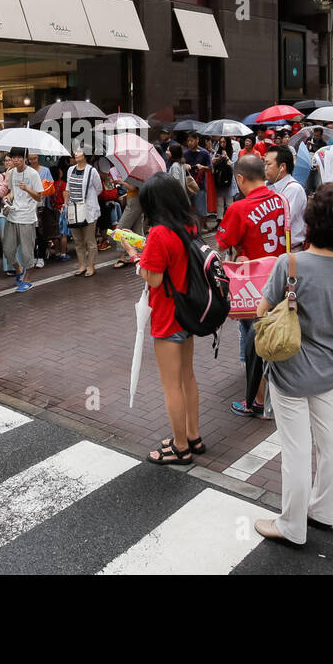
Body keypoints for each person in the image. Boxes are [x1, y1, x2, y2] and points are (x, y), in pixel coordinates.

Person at [254, 185, 333, 544]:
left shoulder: (292, 263)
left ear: (313, 221)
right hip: (329, 367)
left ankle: (291, 526)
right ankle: (323, 511)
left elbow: (262, 310)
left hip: (290, 370)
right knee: (330, 443)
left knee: (296, 450)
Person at [133, 172, 202, 465]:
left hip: (167, 315)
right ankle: (193, 436)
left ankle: (180, 446)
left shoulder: (160, 233)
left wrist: (137, 257)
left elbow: (155, 279)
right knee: (187, 377)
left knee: (170, 384)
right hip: (188, 312)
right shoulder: (189, 225)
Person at [217, 154, 288, 419]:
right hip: (280, 276)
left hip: (254, 282)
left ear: (240, 178)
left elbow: (223, 242)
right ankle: (274, 392)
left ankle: (257, 400)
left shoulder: (239, 208)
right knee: (275, 334)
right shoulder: (281, 200)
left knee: (254, 341)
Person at [1, 146, 43, 292]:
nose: (16, 160)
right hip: (13, 216)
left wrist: (27, 189)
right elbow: (13, 191)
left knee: (27, 252)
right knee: (7, 250)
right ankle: (18, 269)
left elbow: (39, 196)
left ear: (24, 158)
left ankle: (27, 279)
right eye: (14, 158)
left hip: (27, 218)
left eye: (19, 157)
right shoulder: (11, 173)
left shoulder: (33, 174)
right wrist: (8, 198)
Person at [62, 148, 102, 277]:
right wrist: (65, 204)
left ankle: (91, 265)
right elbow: (68, 188)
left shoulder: (92, 171)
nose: (75, 154)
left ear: (86, 155)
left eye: (79, 152)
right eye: (75, 152)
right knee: (78, 240)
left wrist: (88, 201)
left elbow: (99, 189)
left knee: (89, 240)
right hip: (73, 209)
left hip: (88, 210)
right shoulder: (70, 170)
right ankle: (82, 265)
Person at [264, 144, 308, 252]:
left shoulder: (294, 189)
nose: (265, 168)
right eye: (264, 163)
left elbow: (280, 222)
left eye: (268, 164)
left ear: (282, 167)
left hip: (290, 252)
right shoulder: (266, 185)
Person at [113, 179, 144, 269]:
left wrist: (121, 182)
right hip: (138, 200)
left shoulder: (135, 170)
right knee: (138, 228)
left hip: (134, 201)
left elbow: (133, 187)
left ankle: (122, 257)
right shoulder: (139, 171)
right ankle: (141, 254)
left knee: (121, 228)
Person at [182, 132, 212, 223]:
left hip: (200, 184)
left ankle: (202, 227)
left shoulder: (204, 153)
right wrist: (184, 165)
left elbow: (210, 168)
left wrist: (202, 167)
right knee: (188, 207)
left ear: (197, 140)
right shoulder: (185, 153)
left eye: (192, 140)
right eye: (188, 141)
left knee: (201, 208)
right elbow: (180, 165)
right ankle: (192, 227)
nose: (190, 143)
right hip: (188, 184)